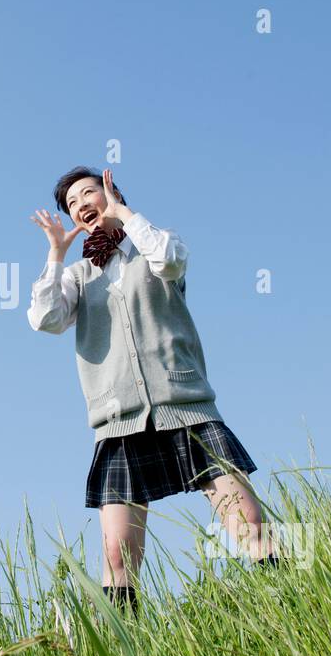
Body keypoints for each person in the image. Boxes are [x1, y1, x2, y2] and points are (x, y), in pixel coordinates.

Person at [27, 166, 281, 617]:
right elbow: (46, 319)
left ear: (112, 192)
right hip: (118, 418)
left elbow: (171, 260)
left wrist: (124, 214)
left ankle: (293, 613)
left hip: (184, 406)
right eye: (72, 204)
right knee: (117, 552)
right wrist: (55, 255)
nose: (81, 204)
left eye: (90, 193)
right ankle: (126, 650)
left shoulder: (153, 242)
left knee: (247, 521)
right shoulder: (79, 275)